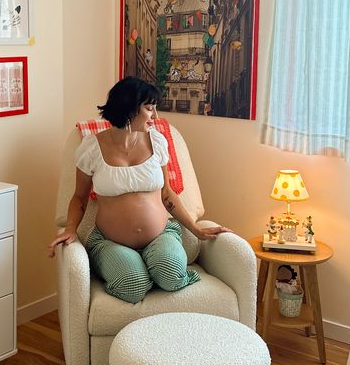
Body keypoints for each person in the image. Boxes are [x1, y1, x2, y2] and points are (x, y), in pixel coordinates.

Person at [47, 77, 230, 303]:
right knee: (132, 286)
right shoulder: (91, 148)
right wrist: (71, 229)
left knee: (171, 275)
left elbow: (167, 194)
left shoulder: (157, 141)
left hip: (160, 234)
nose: (155, 117)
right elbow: (79, 198)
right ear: (129, 107)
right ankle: (138, 273)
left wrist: (195, 229)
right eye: (149, 109)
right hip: (110, 241)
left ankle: (155, 270)